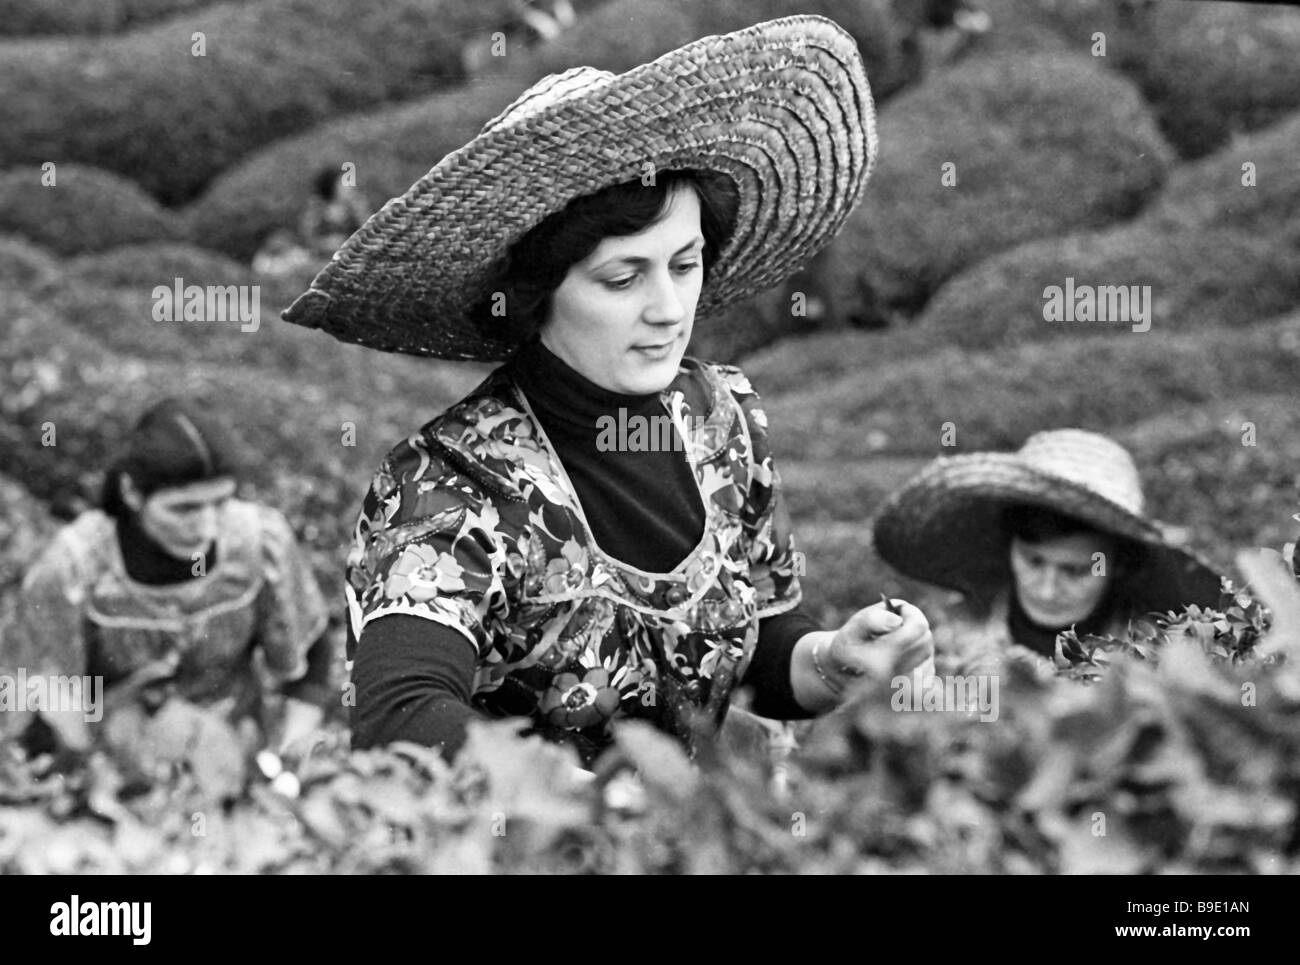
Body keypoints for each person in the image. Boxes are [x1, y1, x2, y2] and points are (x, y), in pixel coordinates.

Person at [282, 16, 935, 765]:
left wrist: (834, 660)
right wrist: (592, 805)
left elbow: (751, 646)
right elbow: (401, 712)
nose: (667, 308)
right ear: (541, 293)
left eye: (684, 266)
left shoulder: (723, 418)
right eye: (624, 277)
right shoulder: (450, 483)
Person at [0, 399, 334, 760]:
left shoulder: (259, 540)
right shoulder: (73, 566)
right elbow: (42, 691)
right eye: (184, 508)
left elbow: (311, 651)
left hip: (234, 754)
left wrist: (289, 753)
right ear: (132, 493)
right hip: (113, 762)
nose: (207, 527)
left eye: (220, 502)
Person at [871, 428, 1223, 666]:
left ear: (1117, 562)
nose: (1047, 588)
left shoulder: (1161, 653)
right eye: (1033, 561)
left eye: (1075, 570)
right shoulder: (944, 640)